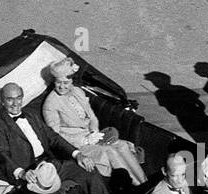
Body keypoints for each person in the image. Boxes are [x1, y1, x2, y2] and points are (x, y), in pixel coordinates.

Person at [0, 82, 112, 194]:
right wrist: (21, 173)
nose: (15, 103)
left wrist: (78, 154)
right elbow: (2, 154)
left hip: (50, 164)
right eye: (10, 99)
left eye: (18, 98)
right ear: (2, 101)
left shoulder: (31, 115)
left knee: (90, 171)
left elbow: (54, 138)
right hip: (32, 174)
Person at [42, 57, 146, 185]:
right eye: (58, 82)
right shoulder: (50, 103)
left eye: (66, 82)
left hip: (92, 136)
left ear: (72, 81)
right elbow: (55, 137)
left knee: (122, 146)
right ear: (54, 81)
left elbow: (92, 116)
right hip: (77, 146)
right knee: (110, 151)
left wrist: (94, 132)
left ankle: (144, 183)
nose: (62, 86)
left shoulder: (77, 91)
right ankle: (136, 187)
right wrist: (85, 140)